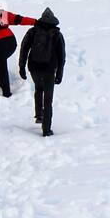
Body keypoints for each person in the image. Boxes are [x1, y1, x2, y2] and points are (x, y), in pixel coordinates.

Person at [18, 8, 66, 137]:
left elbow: (24, 49)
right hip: (49, 70)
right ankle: (46, 130)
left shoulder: (33, 31)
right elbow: (62, 55)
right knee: (48, 99)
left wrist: (21, 67)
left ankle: (39, 116)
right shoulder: (56, 34)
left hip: (34, 68)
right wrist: (60, 72)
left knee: (38, 88)